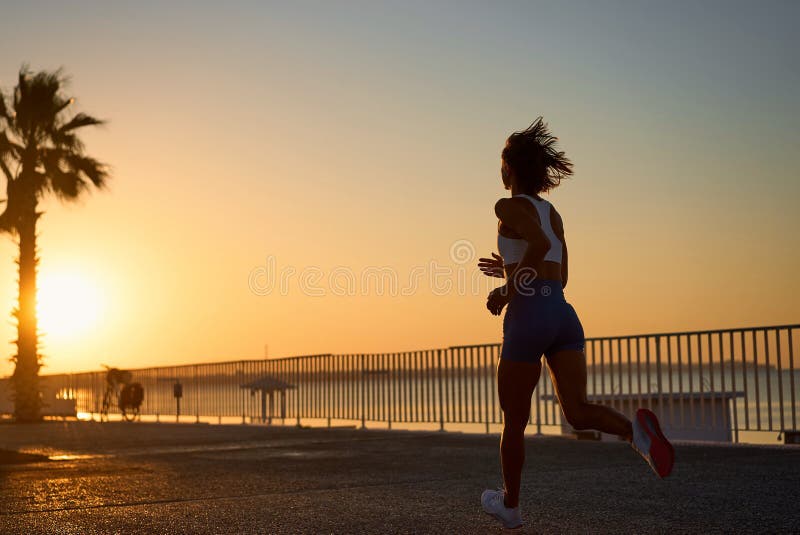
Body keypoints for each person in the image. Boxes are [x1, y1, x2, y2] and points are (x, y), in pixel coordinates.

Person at [477, 118, 674, 529]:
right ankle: (635, 434)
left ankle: (510, 506)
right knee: (578, 410)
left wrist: (506, 291)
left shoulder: (506, 205)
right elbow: (558, 274)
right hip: (562, 314)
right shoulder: (553, 212)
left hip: (529, 315)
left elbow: (541, 246)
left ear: (509, 168)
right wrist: (511, 270)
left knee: (513, 422)